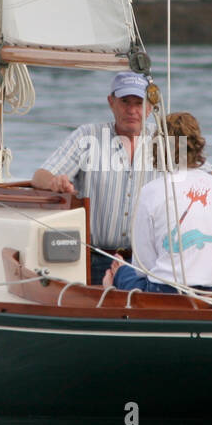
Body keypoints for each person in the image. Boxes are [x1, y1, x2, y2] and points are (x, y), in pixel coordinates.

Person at [32, 71, 155, 282]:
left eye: (139, 103)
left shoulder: (165, 140)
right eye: (125, 102)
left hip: (148, 260)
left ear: (150, 108)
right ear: (111, 102)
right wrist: (55, 183)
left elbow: (208, 174)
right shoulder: (87, 136)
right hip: (95, 259)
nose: (132, 110)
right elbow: (39, 176)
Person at [104, 112, 212, 294]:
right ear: (197, 146)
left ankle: (112, 281)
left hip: (168, 291)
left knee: (122, 270)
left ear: (159, 148)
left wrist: (121, 272)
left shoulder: (150, 192)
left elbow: (143, 267)